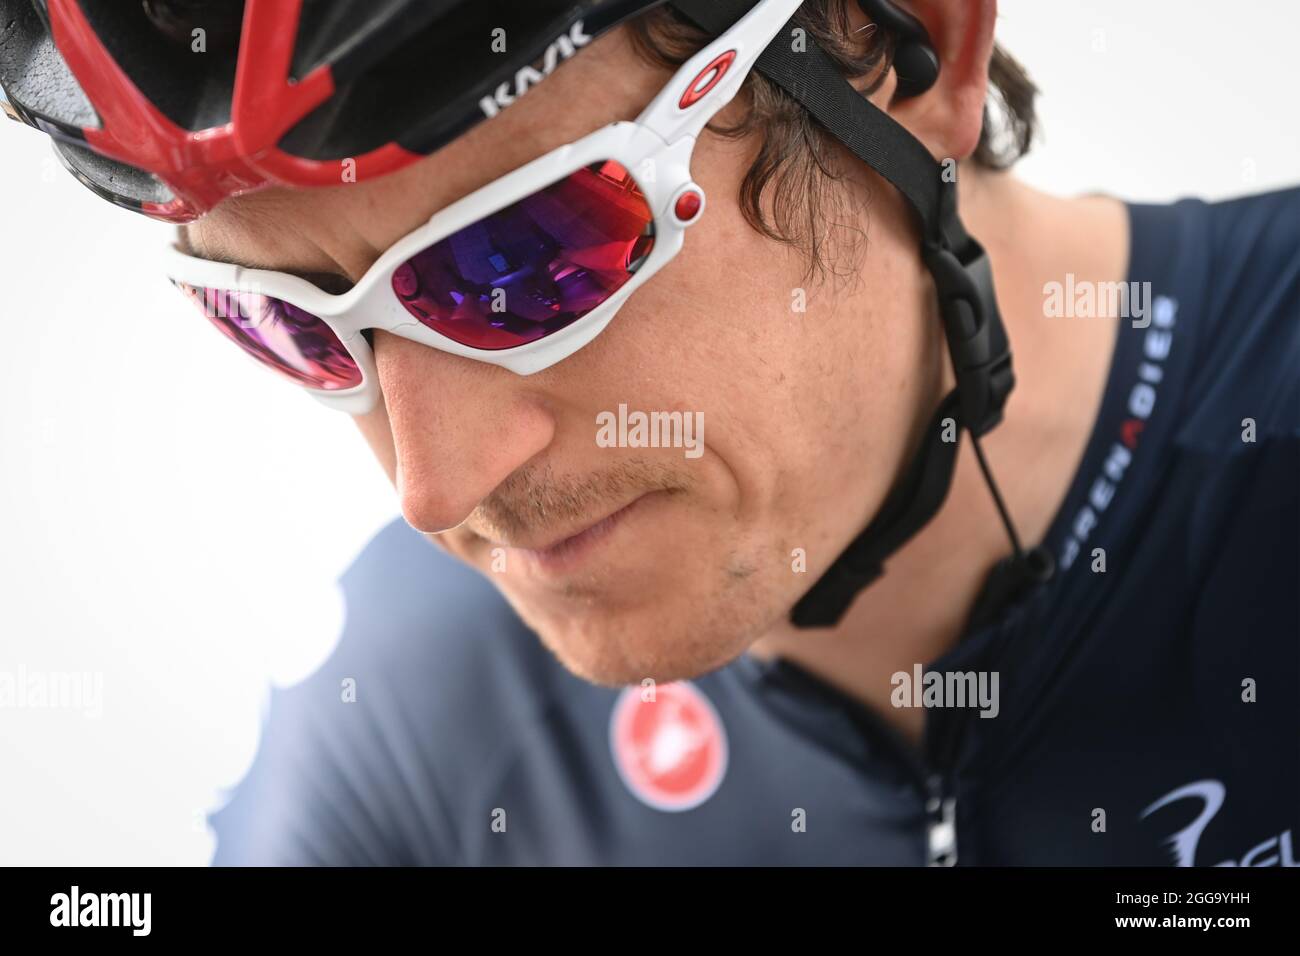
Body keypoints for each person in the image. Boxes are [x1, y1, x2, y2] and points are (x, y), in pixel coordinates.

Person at [1, 0, 1294, 866]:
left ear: (914, 58)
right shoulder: (417, 729)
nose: (437, 488)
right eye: (286, 325)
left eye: (528, 257)